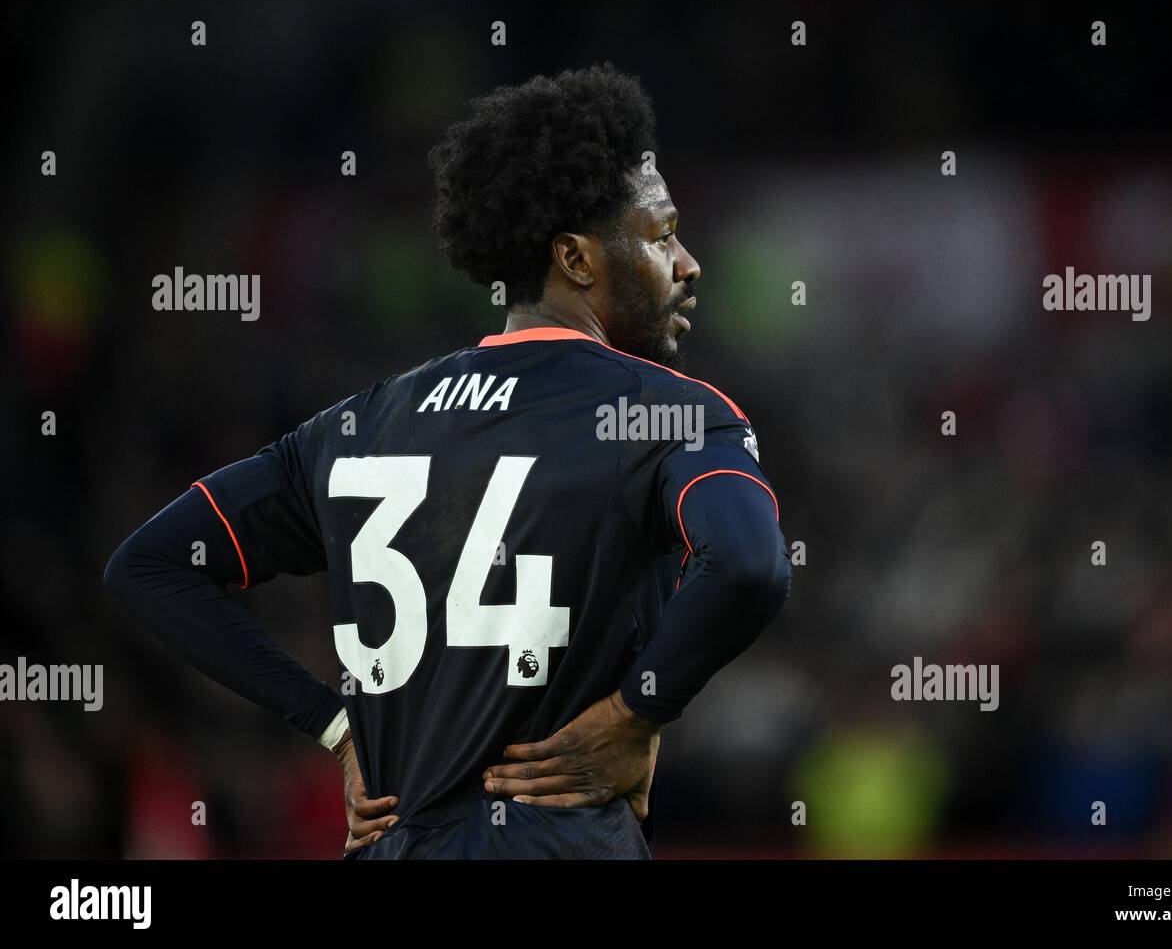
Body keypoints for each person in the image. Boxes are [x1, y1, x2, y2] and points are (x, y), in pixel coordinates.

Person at [104, 62, 791, 859]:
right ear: (575, 258)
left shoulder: (353, 425)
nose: (688, 262)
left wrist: (334, 728)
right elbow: (747, 564)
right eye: (663, 233)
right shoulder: (668, 411)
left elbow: (148, 566)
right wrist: (638, 713)